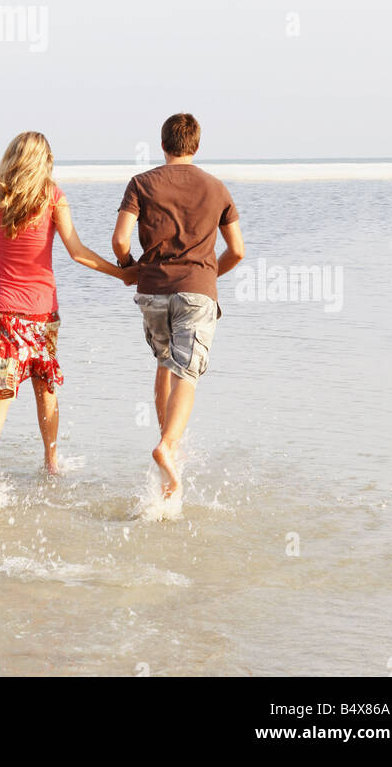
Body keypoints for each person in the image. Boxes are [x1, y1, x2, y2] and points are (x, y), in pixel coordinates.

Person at [0, 131, 137, 484]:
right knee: (45, 386)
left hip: (0, 310)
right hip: (41, 311)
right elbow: (77, 252)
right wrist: (121, 274)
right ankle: (51, 460)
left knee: (2, 385)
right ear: (43, 161)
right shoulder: (53, 196)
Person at [112, 114, 245, 498]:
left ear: (163, 144)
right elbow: (237, 250)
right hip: (197, 291)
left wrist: (129, 268)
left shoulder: (142, 183)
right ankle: (168, 447)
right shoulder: (216, 188)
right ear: (196, 145)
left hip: (153, 291)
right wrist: (207, 277)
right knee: (188, 371)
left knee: (165, 363)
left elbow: (120, 240)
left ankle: (168, 442)